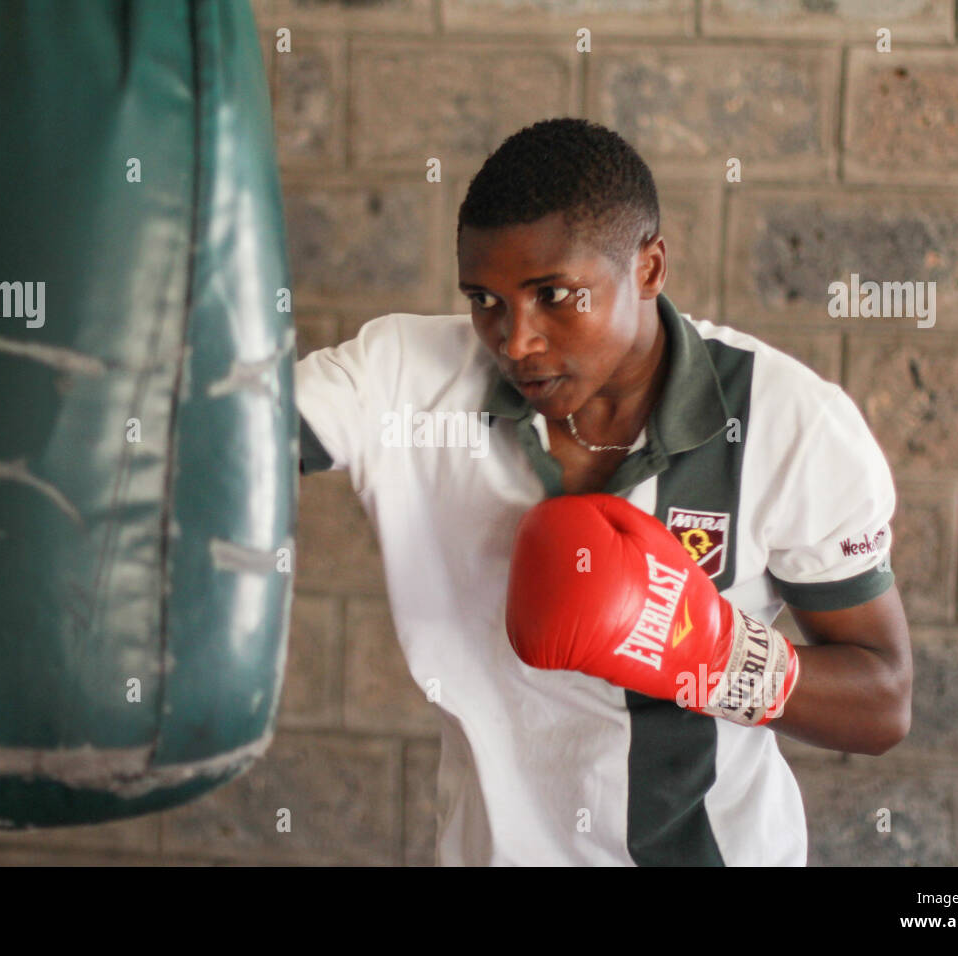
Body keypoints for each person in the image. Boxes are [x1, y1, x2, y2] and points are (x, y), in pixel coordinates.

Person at [294, 117, 912, 866]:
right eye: (484, 300)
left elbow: (883, 701)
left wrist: (713, 655)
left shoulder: (789, 423)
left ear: (649, 269)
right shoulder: (402, 380)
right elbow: (223, 443)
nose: (515, 340)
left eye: (555, 294)